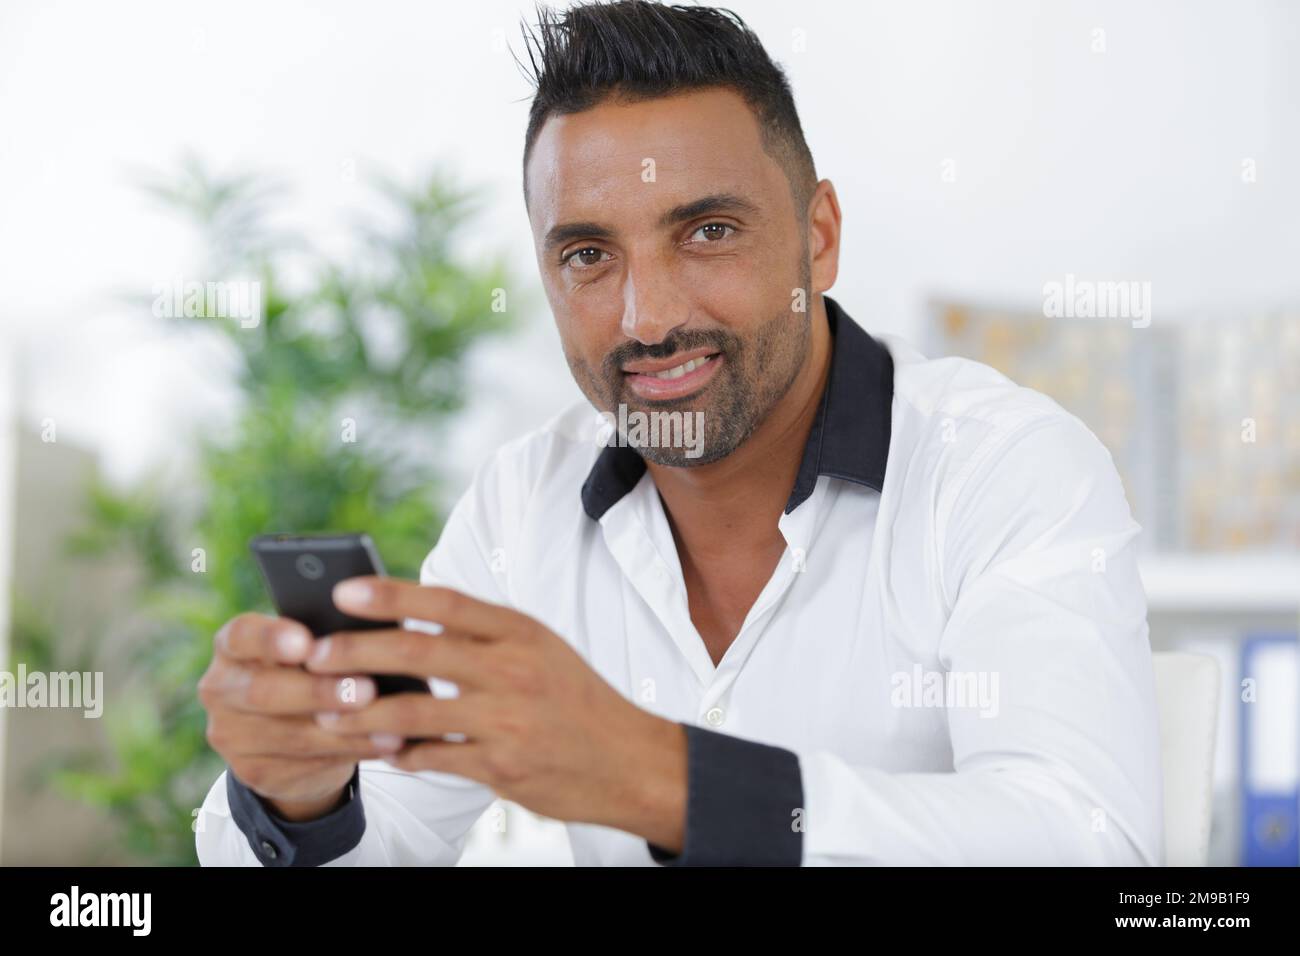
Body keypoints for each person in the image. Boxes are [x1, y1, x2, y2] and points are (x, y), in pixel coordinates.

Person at [195, 0, 1163, 866]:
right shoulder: (519, 505)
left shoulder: (1003, 468)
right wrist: (300, 790)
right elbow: (391, 834)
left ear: (817, 236)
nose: (644, 317)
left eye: (706, 232)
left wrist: (660, 776)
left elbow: (1087, 839)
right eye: (587, 254)